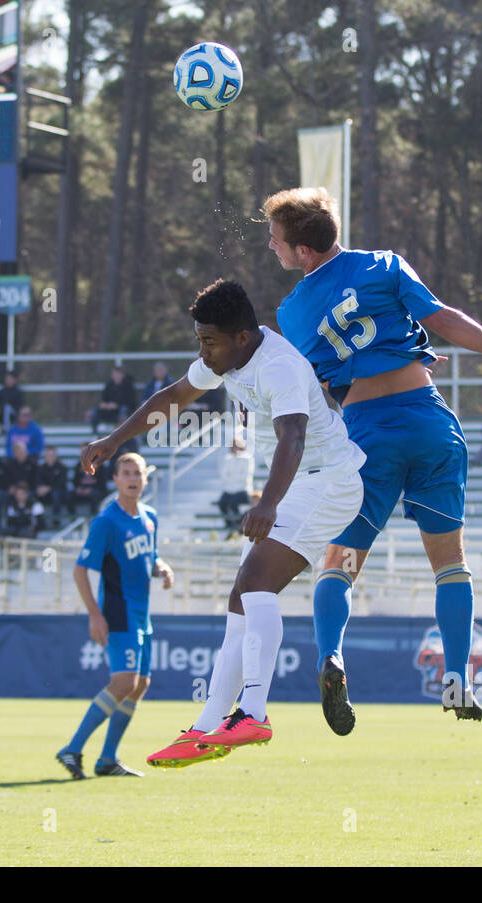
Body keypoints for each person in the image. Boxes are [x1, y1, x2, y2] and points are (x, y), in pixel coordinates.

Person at [260, 186, 482, 730]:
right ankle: (458, 680)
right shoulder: (384, 264)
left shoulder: (293, 310)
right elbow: (442, 318)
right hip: (428, 421)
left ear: (303, 251)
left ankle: (332, 657)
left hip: (368, 436)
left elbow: (321, 382)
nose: (272, 250)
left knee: (341, 565)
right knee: (450, 564)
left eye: (276, 242)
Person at [81, 279, 366, 771]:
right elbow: (174, 397)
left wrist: (269, 504)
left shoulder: (277, 366)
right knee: (241, 599)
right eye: (199, 340)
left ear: (241, 337)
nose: (202, 352)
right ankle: (207, 723)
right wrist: (114, 438)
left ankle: (252, 712)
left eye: (208, 342)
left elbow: (292, 436)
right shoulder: (226, 356)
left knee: (255, 583)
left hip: (328, 482)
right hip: (300, 483)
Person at [58, 453, 173, 779]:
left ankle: (107, 759)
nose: (132, 478)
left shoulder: (150, 517)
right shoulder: (106, 521)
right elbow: (80, 571)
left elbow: (149, 557)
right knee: (124, 681)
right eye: (126, 473)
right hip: (117, 612)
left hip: (142, 615)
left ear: (146, 479)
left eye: (137, 473)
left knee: (140, 684)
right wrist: (94, 615)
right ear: (116, 480)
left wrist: (161, 567)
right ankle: (72, 748)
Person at [217, 437, 254, 533]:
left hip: (243, 490)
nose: (234, 448)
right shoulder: (227, 458)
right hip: (229, 489)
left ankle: (239, 526)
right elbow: (224, 475)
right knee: (222, 503)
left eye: (236, 445)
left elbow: (245, 475)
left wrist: (232, 478)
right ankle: (230, 525)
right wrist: (233, 479)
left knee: (233, 504)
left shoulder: (248, 458)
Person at [93, 367, 137, 434]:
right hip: (109, 409)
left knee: (123, 410)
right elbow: (104, 398)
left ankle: (121, 432)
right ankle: (96, 432)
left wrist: (117, 405)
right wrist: (105, 405)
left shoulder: (128, 385)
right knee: (95, 412)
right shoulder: (109, 384)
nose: (115, 376)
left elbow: (131, 401)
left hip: (123, 409)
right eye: (114, 374)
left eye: (117, 374)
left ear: (122, 375)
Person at [70, 442, 110, 515]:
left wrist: (91, 489)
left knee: (94, 495)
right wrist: (79, 488)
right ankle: (72, 517)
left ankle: (93, 516)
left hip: (96, 490)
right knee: (70, 495)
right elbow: (75, 481)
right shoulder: (78, 465)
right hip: (82, 490)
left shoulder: (99, 464)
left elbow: (102, 483)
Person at [34, 446, 68, 519]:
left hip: (59, 492)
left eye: (52, 455)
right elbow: (38, 481)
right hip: (45, 493)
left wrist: (49, 488)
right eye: (48, 455)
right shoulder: (41, 468)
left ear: (56, 456)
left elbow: (61, 483)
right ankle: (38, 520)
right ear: (45, 456)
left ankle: (56, 519)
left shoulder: (62, 467)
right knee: (34, 494)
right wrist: (40, 488)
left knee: (55, 494)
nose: (50, 457)